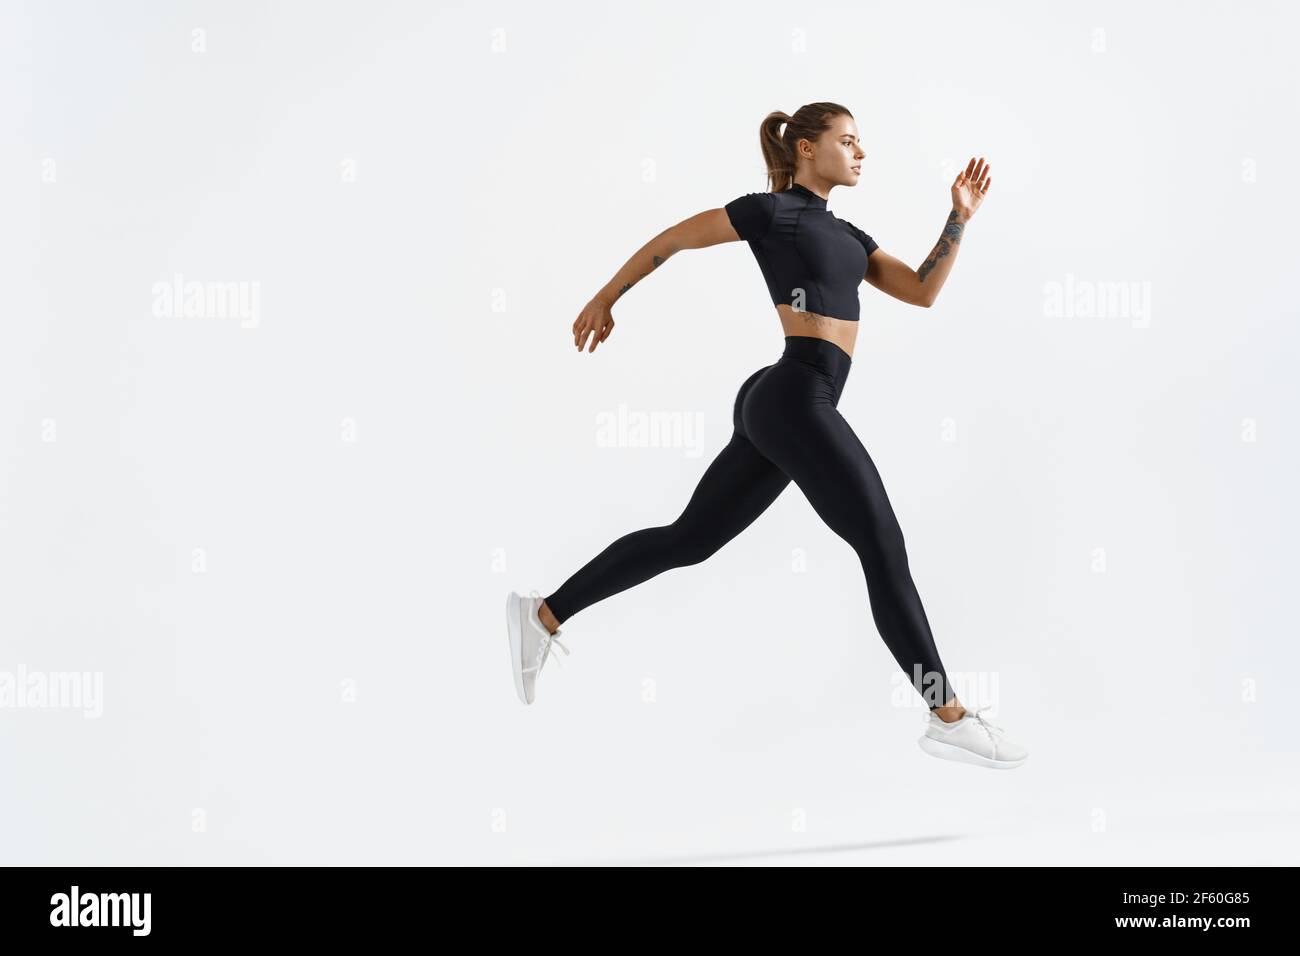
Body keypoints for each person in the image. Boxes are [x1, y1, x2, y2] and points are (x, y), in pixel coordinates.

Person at [506, 101, 1027, 770]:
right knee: (881, 542)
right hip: (794, 398)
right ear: (807, 149)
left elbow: (922, 289)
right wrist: (608, 296)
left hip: (781, 400)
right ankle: (948, 714)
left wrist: (959, 215)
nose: (860, 152)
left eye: (862, 143)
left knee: (689, 540)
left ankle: (543, 615)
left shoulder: (851, 237)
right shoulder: (771, 212)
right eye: (847, 141)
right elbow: (674, 239)